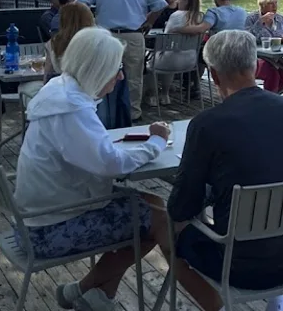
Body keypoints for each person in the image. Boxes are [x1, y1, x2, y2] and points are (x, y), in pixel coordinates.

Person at [13, 28, 173, 311]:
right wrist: (157, 141)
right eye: (117, 69)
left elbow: (95, 154)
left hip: (34, 218)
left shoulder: (58, 90)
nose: (121, 76)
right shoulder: (72, 109)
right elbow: (111, 164)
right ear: (98, 70)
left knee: (151, 205)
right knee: (159, 219)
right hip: (47, 230)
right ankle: (88, 291)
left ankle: (93, 296)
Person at [168, 30, 283, 311]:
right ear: (254, 66)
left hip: (244, 268)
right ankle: (278, 298)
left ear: (214, 76)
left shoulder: (207, 124)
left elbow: (181, 206)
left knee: (169, 226)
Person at [77, 0, 167, 121]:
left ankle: (103, 110)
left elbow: (80, 4)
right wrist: (149, 22)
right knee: (134, 76)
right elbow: (161, 4)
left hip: (106, 34)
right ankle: (133, 113)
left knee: (103, 74)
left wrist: (92, 22)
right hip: (133, 34)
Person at [145, 0, 204, 107]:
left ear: (186, 1)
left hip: (170, 61)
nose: (178, 2)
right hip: (190, 61)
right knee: (171, 55)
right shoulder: (200, 16)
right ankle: (165, 95)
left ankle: (152, 96)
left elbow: (166, 38)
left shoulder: (176, 15)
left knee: (150, 63)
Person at [244, 0, 283, 93]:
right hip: (256, 58)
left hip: (276, 58)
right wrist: (260, 23)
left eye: (276, 3)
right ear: (262, 5)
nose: (274, 6)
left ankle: (279, 100)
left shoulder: (280, 19)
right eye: (270, 3)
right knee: (273, 73)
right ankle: (270, 101)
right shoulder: (251, 18)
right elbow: (247, 39)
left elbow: (282, 36)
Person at [177, 0, 247, 37]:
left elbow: (200, 29)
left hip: (221, 48)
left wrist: (177, 29)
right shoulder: (242, 11)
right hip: (240, 46)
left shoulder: (214, 12)